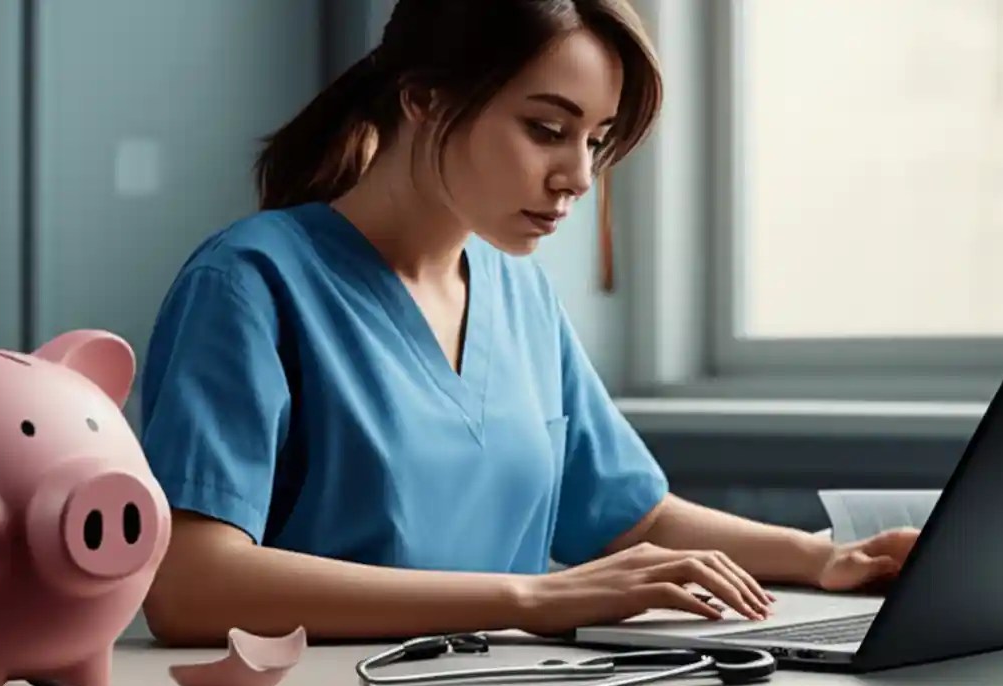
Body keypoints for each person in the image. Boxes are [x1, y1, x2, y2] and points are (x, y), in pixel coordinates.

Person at [138, 0, 918, 647]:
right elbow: (192, 587)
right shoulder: (250, 282)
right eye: (547, 129)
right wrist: (529, 599)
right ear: (425, 100)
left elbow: (627, 517)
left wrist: (820, 558)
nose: (577, 177)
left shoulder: (520, 295)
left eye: (596, 141)